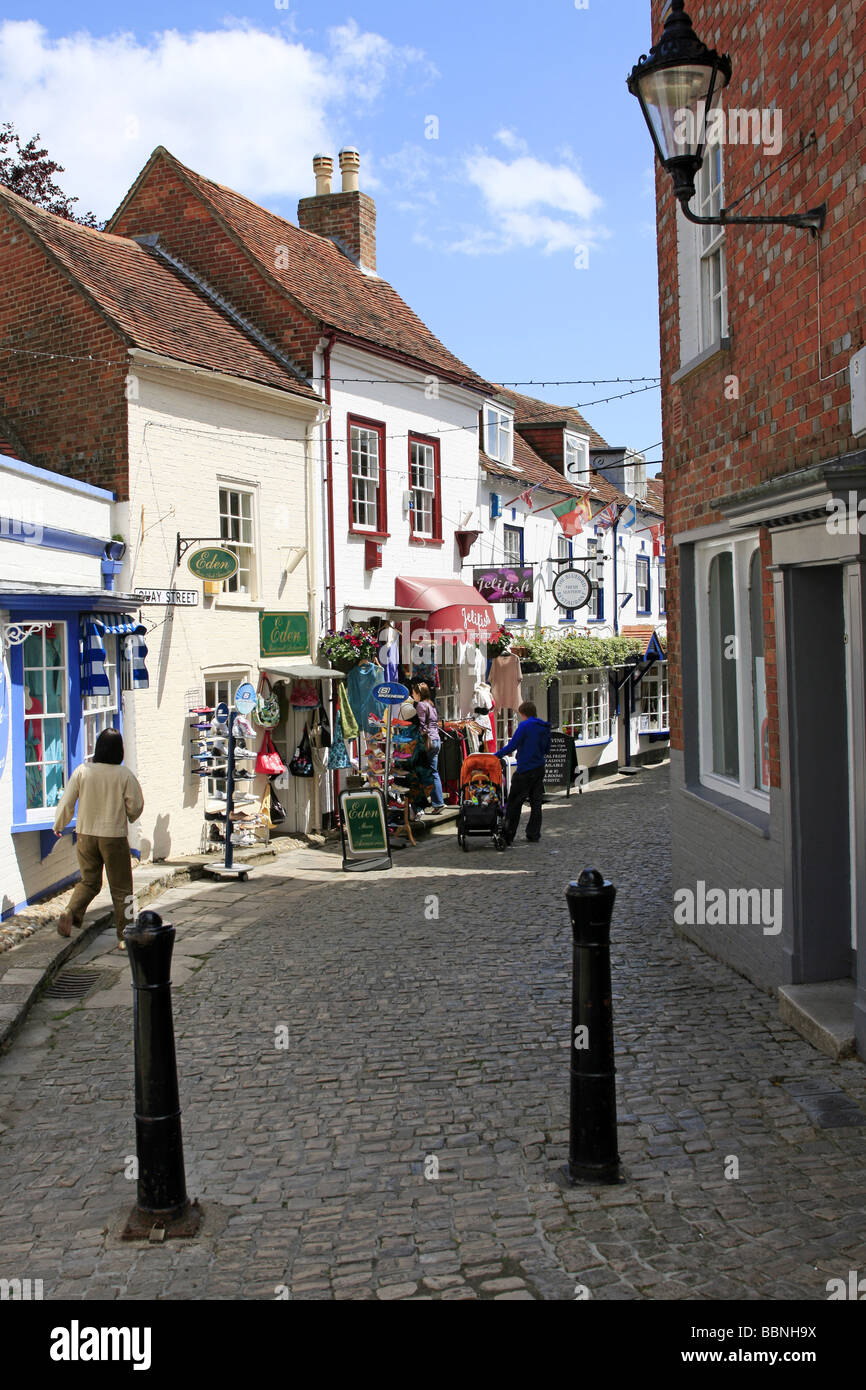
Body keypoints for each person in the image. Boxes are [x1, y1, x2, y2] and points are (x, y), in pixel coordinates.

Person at [53, 728, 144, 948]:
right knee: (122, 888)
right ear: (119, 750)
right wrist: (130, 816)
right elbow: (136, 805)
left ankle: (70, 910)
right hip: (113, 836)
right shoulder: (123, 775)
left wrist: (59, 824)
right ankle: (125, 935)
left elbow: (67, 802)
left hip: (85, 834)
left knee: (90, 881)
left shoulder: (83, 771)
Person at [495, 701, 551, 844]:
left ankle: (508, 835)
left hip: (525, 769)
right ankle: (534, 834)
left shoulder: (524, 726)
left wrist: (496, 755)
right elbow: (546, 749)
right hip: (539, 768)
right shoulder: (544, 727)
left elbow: (513, 745)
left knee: (515, 803)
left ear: (523, 713)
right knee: (536, 802)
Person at [411, 681, 444, 815]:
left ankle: (419, 806)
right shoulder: (431, 705)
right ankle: (438, 803)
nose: (412, 695)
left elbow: (422, 726)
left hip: (427, 742)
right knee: (433, 772)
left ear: (418, 694)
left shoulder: (420, 705)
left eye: (413, 692)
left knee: (418, 773)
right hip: (436, 740)